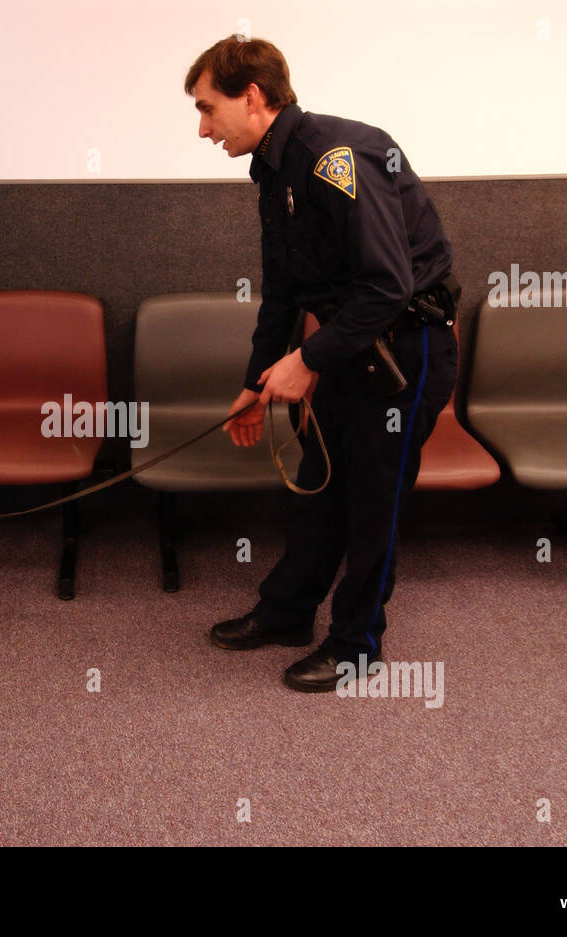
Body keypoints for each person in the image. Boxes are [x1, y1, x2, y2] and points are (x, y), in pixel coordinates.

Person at [185, 36, 459, 692]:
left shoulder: (335, 158)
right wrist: (256, 384)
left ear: (252, 97)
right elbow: (282, 291)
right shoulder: (275, 168)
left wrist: (306, 361)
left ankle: (357, 645)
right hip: (349, 346)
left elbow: (387, 287)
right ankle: (287, 611)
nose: (201, 129)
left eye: (207, 108)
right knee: (319, 488)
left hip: (405, 347)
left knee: (373, 504)